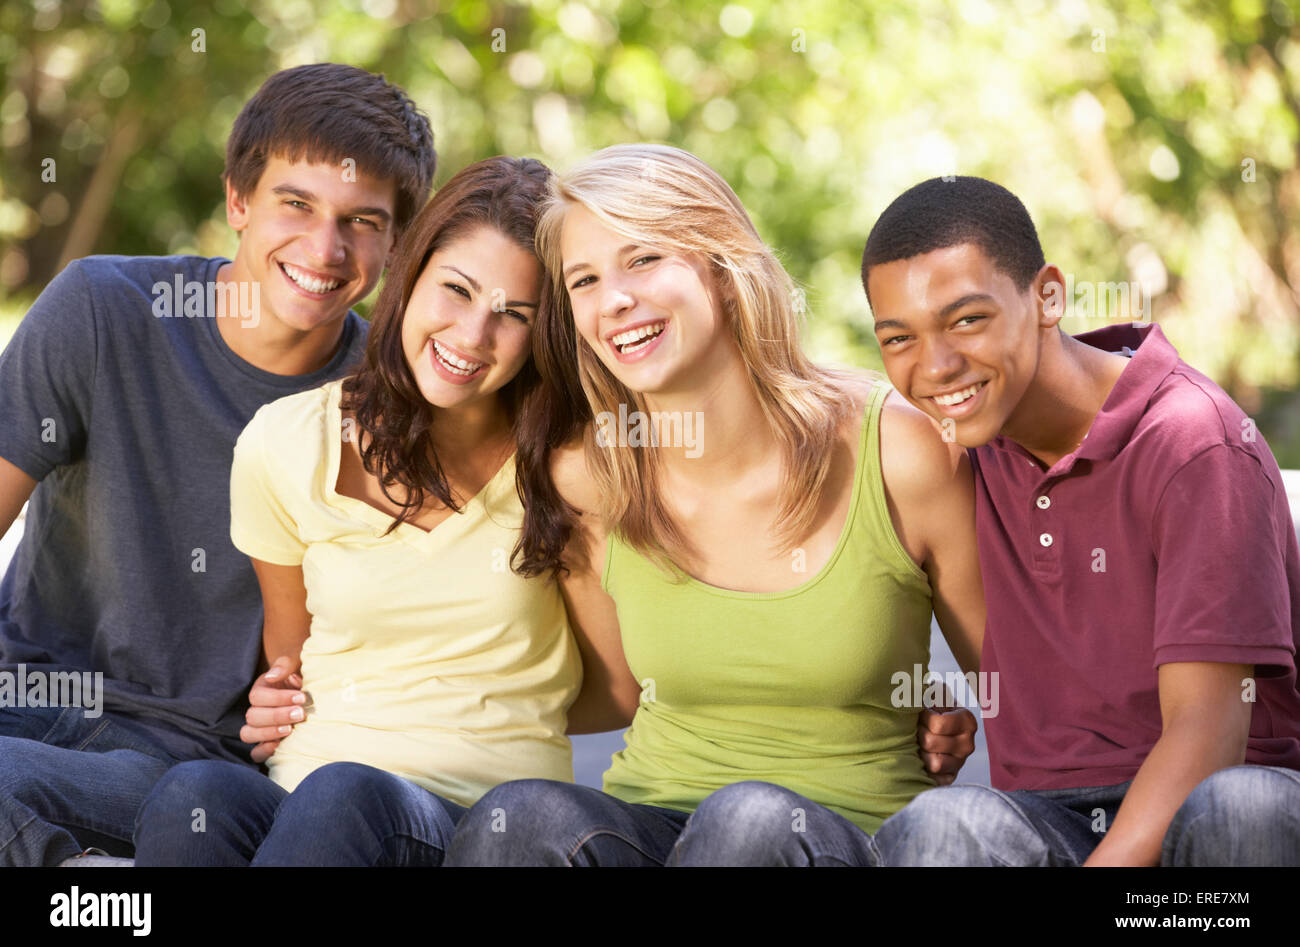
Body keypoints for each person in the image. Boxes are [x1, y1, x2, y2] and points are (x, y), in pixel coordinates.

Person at [443, 144, 985, 867]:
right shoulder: (589, 477)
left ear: (724, 271)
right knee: (523, 814)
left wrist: (942, 708)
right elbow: (608, 693)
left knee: (749, 820)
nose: (615, 300)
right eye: (584, 280)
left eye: (643, 260)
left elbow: (1018, 682)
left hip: (842, 838)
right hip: (654, 828)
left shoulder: (897, 451)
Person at [0, 63, 435, 866]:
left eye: (363, 221)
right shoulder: (102, 310)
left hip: (183, 764)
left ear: (397, 245)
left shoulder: (395, 399)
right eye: (295, 204)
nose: (325, 247)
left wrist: (299, 699)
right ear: (238, 199)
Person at [131, 156, 596, 867]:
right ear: (410, 279)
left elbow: (622, 688)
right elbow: (290, 662)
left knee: (344, 796)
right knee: (194, 793)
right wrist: (273, 701)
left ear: (543, 336)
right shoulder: (284, 443)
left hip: (482, 815)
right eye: (457, 290)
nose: (473, 335)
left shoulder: (569, 465)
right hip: (307, 795)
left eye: (513, 314)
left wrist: (496, 708)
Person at [862, 175, 1300, 866]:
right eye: (899, 339)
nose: (936, 366)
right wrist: (921, 710)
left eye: (966, 319)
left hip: (1209, 820)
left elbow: (1208, 730)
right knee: (941, 826)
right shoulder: (959, 445)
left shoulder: (1194, 443)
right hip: (1044, 817)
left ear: (1047, 296)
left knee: (1244, 811)